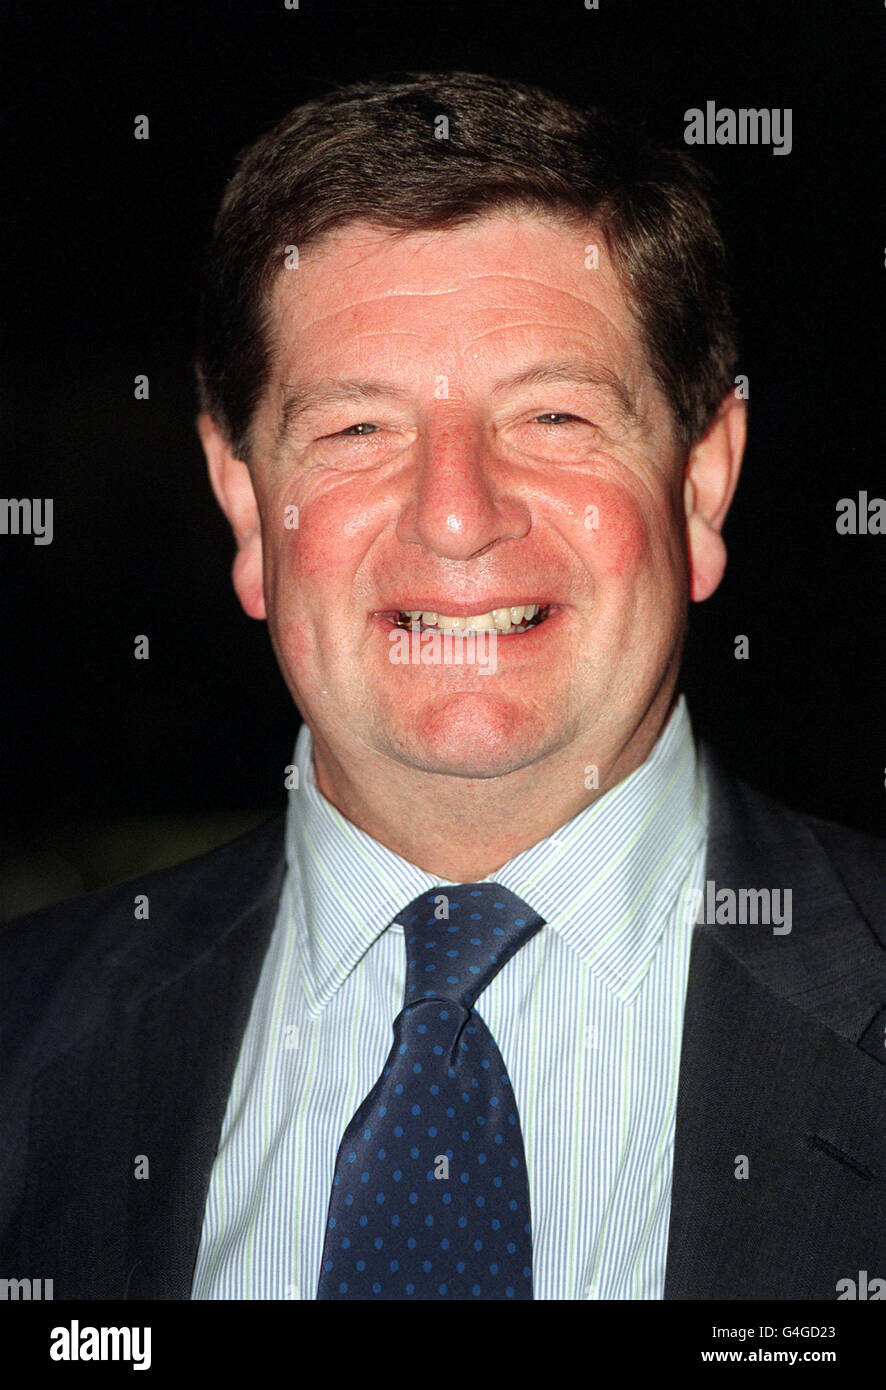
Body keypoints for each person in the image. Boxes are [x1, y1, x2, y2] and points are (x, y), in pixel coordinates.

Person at [1, 72, 883, 1302]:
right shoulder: (24, 1036)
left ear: (699, 485)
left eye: (555, 416)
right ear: (246, 502)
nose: (457, 515)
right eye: (357, 430)